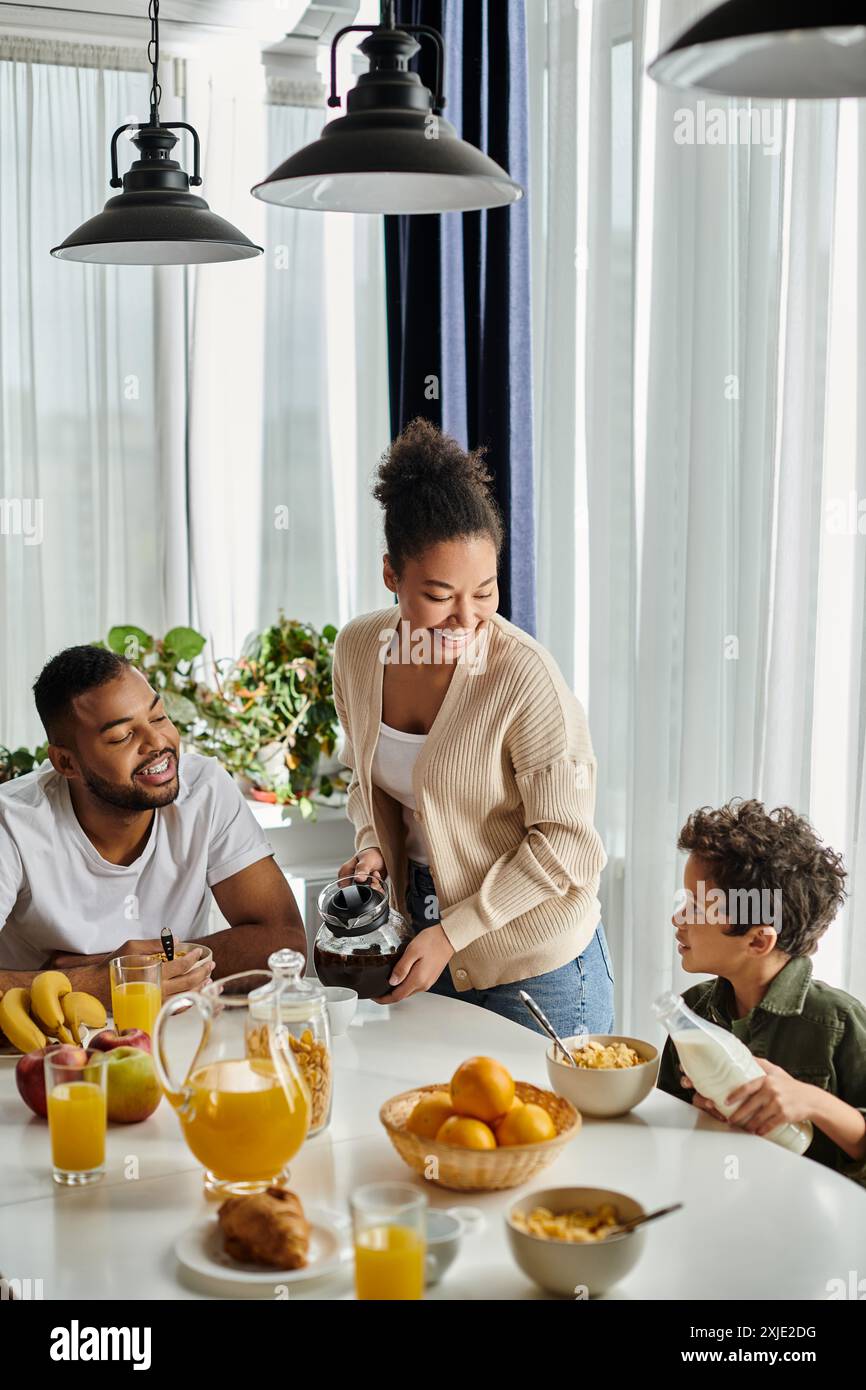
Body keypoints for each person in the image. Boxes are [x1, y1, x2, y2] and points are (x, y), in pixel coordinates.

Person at [332, 418, 613, 1037]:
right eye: (439, 595)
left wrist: (454, 933)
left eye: (485, 591)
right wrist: (370, 846)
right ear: (390, 575)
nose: (467, 618)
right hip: (425, 939)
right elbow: (365, 776)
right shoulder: (356, 650)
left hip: (535, 962)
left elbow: (567, 842)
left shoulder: (522, 673)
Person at [0, 645, 306, 1006]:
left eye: (159, 717)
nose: (158, 743)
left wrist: (129, 970)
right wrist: (100, 984)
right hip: (45, 1048)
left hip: (181, 1036)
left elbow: (284, 943)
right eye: (122, 737)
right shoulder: (13, 822)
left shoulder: (204, 789)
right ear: (66, 762)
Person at [659, 798, 866, 1186]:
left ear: (758, 941)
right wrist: (700, 1114)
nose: (678, 918)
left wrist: (812, 1102)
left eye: (696, 907)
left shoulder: (839, 1021)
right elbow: (666, 1132)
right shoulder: (691, 1013)